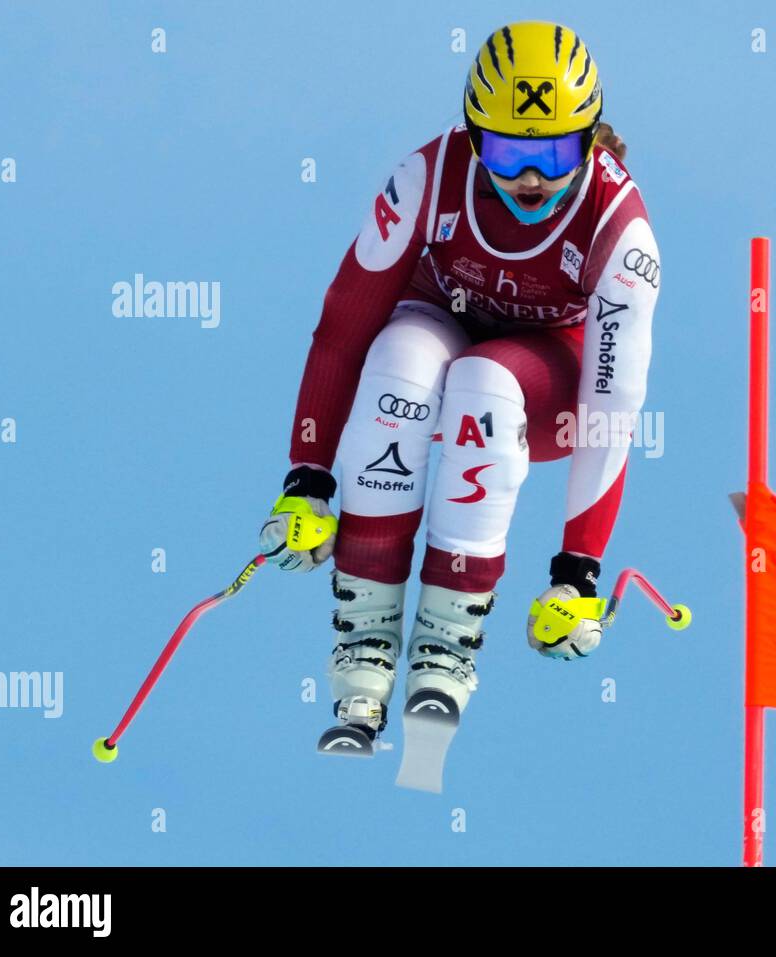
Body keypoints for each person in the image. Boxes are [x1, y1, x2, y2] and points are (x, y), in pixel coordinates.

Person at [257, 21, 661, 747]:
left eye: (557, 152)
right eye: (509, 153)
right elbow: (344, 323)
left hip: (542, 381)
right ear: (475, 138)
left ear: (592, 139)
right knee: (401, 361)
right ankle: (363, 648)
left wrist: (578, 573)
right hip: (437, 317)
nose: (532, 178)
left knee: (483, 383)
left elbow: (612, 405)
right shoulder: (428, 175)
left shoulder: (619, 228)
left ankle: (447, 646)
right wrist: (308, 479)